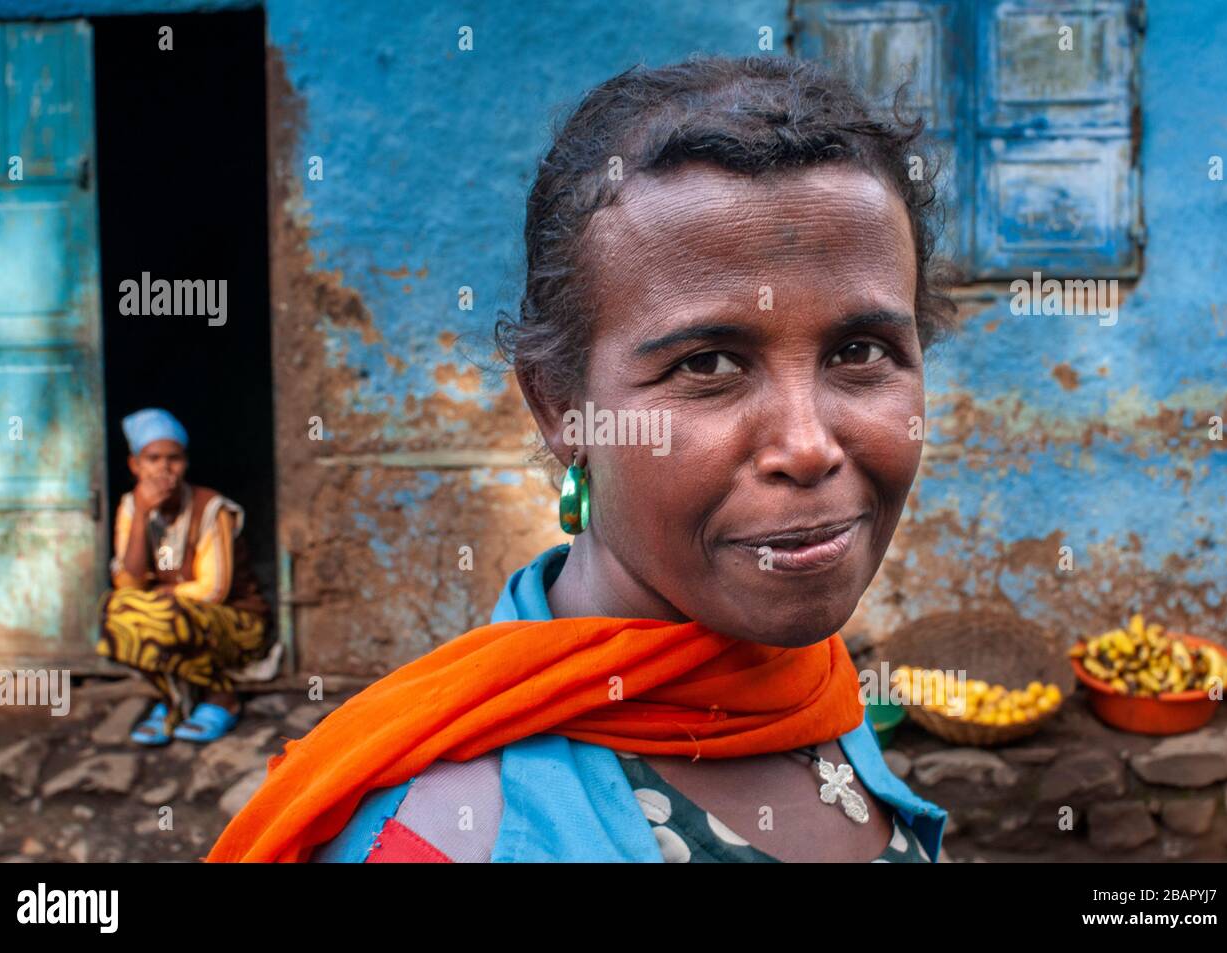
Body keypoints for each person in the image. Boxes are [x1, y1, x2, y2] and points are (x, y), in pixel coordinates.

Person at [210, 54, 956, 863]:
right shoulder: (448, 834)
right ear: (561, 409)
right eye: (707, 365)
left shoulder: (805, 686)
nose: (807, 445)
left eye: (860, 349)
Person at [99, 408, 272, 745]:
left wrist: (163, 593)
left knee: (162, 617)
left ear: (185, 463)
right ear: (135, 465)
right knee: (115, 611)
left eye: (173, 459)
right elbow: (127, 583)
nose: (164, 468)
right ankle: (174, 700)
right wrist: (141, 518)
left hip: (236, 622)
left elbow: (214, 589)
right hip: (172, 613)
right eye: (153, 459)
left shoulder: (211, 509)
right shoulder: (131, 507)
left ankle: (221, 697)